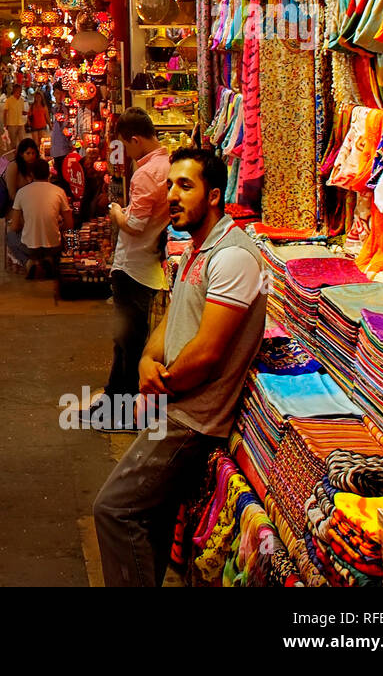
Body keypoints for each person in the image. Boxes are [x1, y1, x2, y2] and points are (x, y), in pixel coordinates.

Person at [93, 148, 267, 587]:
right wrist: (146, 362)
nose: (172, 195)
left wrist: (159, 387)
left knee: (114, 509)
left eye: (185, 186)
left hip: (193, 419)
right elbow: (172, 319)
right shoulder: (195, 250)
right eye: (170, 185)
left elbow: (207, 352)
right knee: (148, 518)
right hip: (172, 406)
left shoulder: (233, 257)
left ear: (214, 195)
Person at [80, 109, 172, 427]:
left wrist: (117, 211)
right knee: (126, 341)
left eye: (125, 145)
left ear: (135, 139)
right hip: (147, 266)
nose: (126, 152)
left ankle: (126, 411)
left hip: (134, 266)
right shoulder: (168, 165)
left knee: (129, 343)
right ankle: (113, 400)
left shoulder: (146, 174)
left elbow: (134, 224)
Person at [6, 157, 73, 280]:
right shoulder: (59, 191)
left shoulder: (21, 192)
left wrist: (27, 225)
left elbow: (14, 226)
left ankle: (28, 263)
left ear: (31, 174)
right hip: (54, 246)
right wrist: (57, 226)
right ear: (49, 174)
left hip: (29, 248)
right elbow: (69, 224)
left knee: (10, 236)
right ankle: (49, 259)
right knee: (62, 237)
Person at [3, 137, 41, 206]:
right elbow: (12, 194)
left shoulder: (35, 165)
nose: (31, 156)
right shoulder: (13, 167)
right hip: (16, 205)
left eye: (33, 153)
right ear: (21, 154)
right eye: (28, 153)